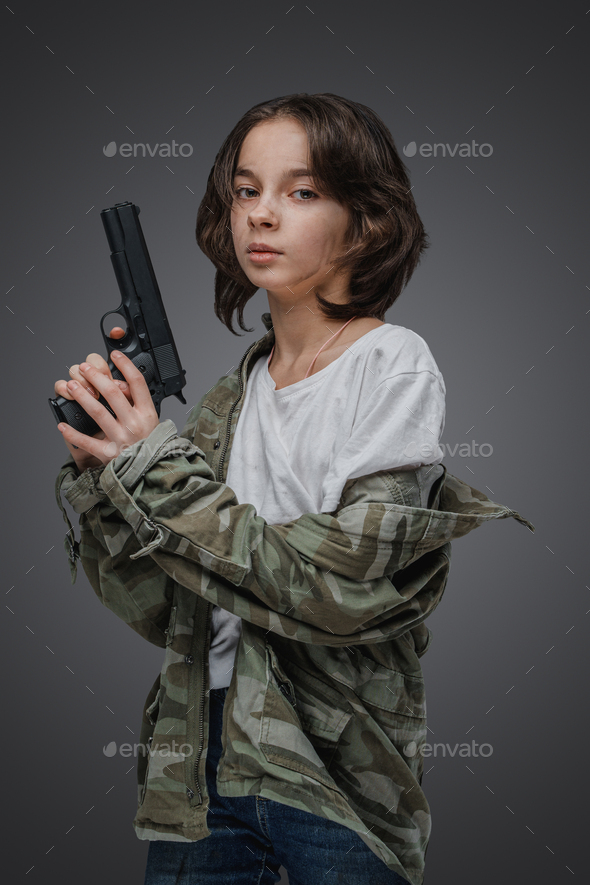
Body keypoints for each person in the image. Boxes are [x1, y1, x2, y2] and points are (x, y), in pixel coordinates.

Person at [53, 93, 534, 885]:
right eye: (246, 190)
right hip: (202, 752)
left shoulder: (391, 363)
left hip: (336, 760)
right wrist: (106, 472)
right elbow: (168, 609)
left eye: (301, 191)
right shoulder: (227, 400)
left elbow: (336, 589)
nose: (261, 213)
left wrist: (155, 464)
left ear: (366, 220)